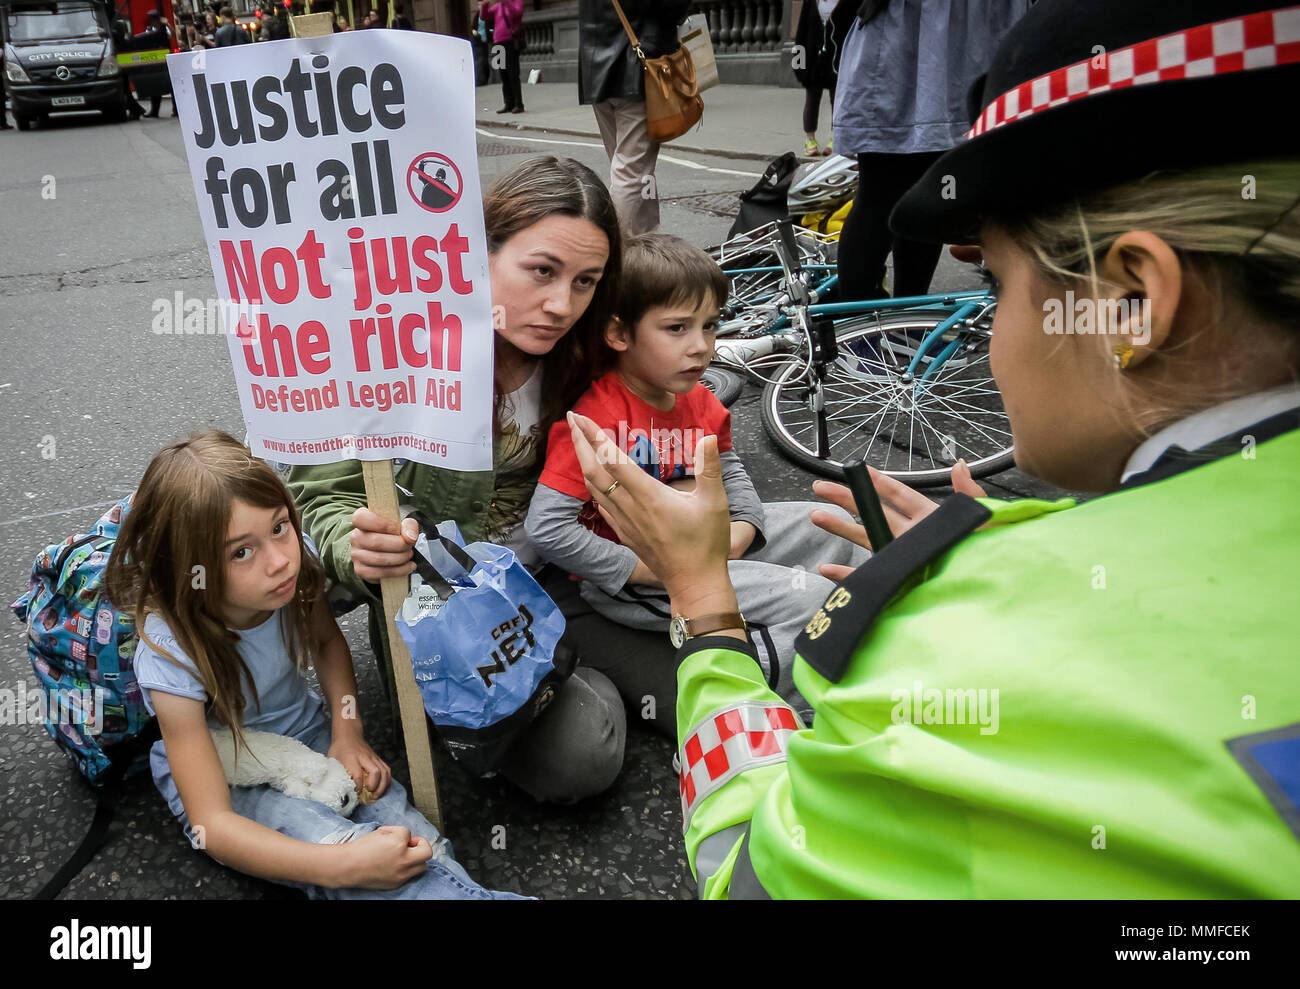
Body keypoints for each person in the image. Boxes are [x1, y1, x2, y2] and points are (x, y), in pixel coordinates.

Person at [565, 0, 1300, 898]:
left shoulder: (954, 663)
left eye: (995, 283)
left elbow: (750, 866)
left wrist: (708, 614)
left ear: (1130, 303)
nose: (990, 335)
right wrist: (1036, 558)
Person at [288, 157, 682, 804]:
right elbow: (321, 493)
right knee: (585, 757)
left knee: (701, 687)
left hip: (558, 574)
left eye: (585, 281)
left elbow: (681, 405)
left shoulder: (585, 349)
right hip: (446, 606)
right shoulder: (395, 340)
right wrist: (356, 549)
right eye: (541, 272)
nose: (561, 304)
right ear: (478, 252)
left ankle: (572, 665)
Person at [104, 430, 524, 899]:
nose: (280, 560)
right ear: (187, 570)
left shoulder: (294, 565)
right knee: (350, 856)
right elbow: (214, 824)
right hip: (229, 764)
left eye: (279, 526)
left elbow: (326, 643)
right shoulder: (171, 648)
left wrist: (348, 733)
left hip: (311, 731)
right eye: (241, 551)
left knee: (421, 847)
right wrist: (341, 865)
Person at [526, 233, 867, 716]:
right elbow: (548, 527)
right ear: (620, 334)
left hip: (702, 543)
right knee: (809, 600)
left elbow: (728, 469)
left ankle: (875, 645)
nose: (701, 347)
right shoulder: (594, 421)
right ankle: (788, 712)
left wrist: (742, 530)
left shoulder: (700, 399)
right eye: (677, 328)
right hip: (633, 581)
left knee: (830, 522)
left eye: (709, 326)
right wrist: (660, 569)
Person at [832, 0, 1029, 300]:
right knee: (884, 190)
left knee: (923, 189)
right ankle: (856, 329)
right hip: (913, 30)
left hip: (962, 30)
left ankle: (907, 324)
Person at [578, 0, 691, 235]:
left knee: (632, 170)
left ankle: (647, 239)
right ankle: (613, 252)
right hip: (637, 68)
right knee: (631, 173)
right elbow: (670, 8)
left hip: (597, 71)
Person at [791, 0, 856, 157]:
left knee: (838, 101)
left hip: (836, 61)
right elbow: (801, 33)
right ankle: (810, 140)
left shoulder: (847, 3)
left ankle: (835, 138)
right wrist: (798, 66)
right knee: (812, 100)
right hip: (814, 62)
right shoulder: (811, 2)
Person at [479, 0, 524, 113]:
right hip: (497, 43)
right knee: (503, 74)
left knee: (513, 74)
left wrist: (507, 3)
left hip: (510, 42)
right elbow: (484, 17)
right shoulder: (497, 6)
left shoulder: (516, 2)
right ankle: (508, 103)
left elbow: (517, 13)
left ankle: (519, 104)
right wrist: (484, 5)